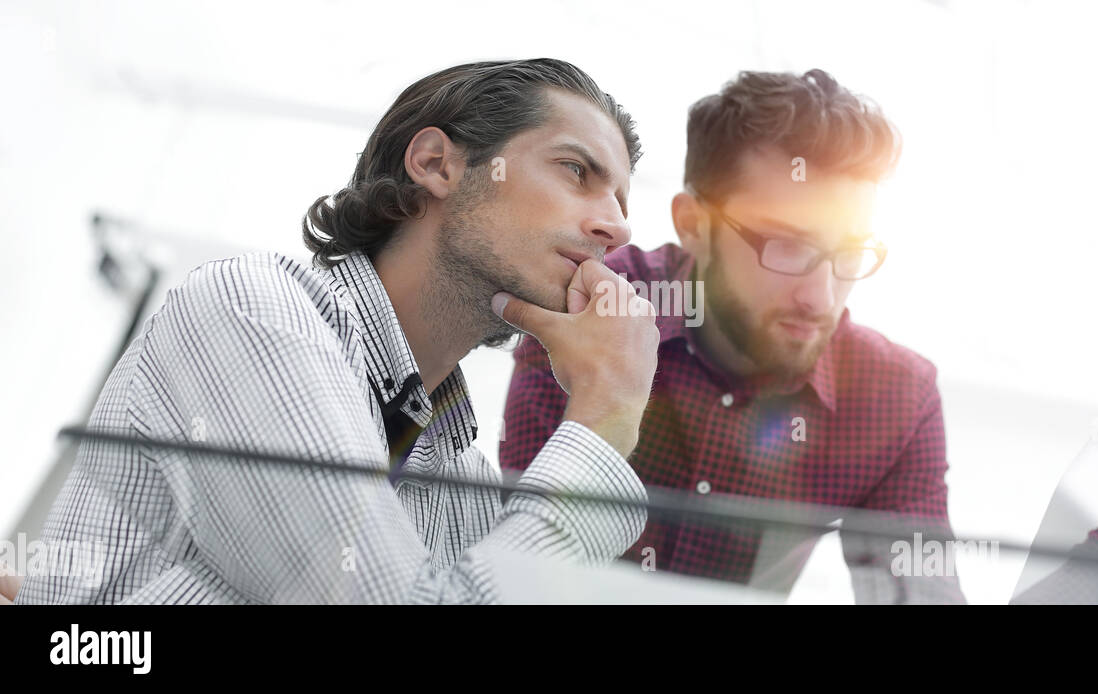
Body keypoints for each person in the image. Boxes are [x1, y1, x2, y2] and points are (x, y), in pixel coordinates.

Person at [16, 58, 660, 604]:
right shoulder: (253, 309)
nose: (618, 228)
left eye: (622, 203)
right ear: (437, 163)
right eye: (577, 171)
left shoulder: (466, 485)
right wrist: (606, 414)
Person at [501, 69, 966, 603]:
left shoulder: (898, 398)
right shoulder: (586, 312)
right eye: (787, 246)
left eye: (850, 251)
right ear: (694, 224)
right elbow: (522, 572)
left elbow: (922, 593)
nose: (821, 297)